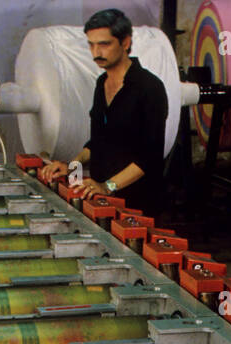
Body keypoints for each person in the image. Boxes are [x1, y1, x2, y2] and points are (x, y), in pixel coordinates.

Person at [36, 9, 169, 216]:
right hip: (101, 200)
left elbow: (149, 159)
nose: (96, 52)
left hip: (137, 204)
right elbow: (98, 141)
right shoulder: (102, 83)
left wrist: (108, 187)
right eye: (91, 44)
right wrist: (73, 166)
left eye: (104, 44)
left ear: (125, 43)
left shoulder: (149, 88)